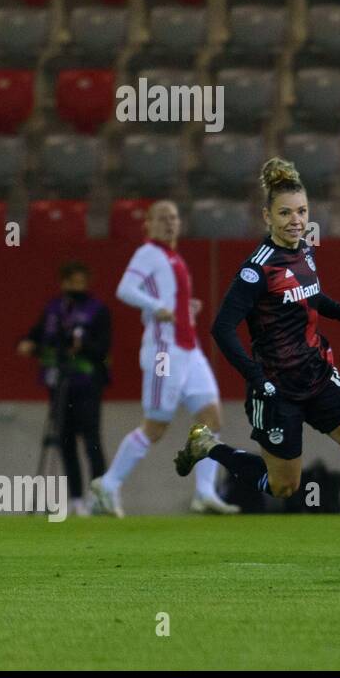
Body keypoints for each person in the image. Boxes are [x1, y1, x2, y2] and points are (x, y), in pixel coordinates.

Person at [176, 158, 340, 566]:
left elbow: (311, 296)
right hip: (276, 388)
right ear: (267, 216)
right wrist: (255, 376)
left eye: (301, 211)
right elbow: (222, 329)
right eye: (285, 213)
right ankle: (208, 445)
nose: (296, 220)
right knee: (283, 486)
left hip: (318, 373)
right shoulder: (255, 270)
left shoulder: (304, 252)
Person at [90, 200, 238, 516]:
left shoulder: (174, 257)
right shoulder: (148, 253)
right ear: (148, 224)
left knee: (212, 419)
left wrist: (186, 308)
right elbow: (125, 289)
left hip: (189, 349)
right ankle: (108, 484)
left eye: (173, 217)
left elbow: (166, 298)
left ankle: (204, 492)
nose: (169, 223)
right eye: (162, 218)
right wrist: (157, 307)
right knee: (156, 426)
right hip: (163, 351)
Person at [17, 261, 111, 515]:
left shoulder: (97, 310)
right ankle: (77, 499)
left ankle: (99, 496)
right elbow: (37, 335)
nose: (76, 287)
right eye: (72, 282)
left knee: (91, 441)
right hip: (59, 384)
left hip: (88, 384)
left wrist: (83, 346)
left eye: (81, 282)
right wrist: (27, 342)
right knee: (65, 441)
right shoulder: (54, 309)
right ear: (64, 283)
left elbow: (103, 347)